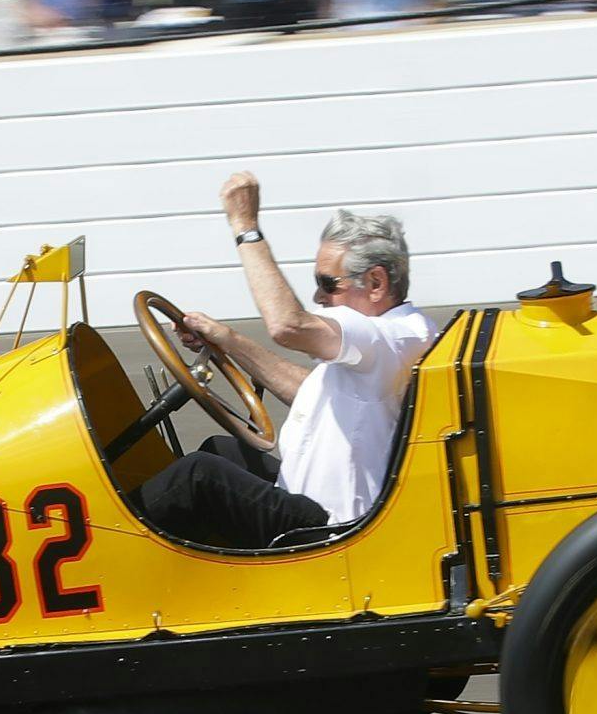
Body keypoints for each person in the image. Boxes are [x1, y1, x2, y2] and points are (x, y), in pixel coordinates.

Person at [130, 178, 437, 551]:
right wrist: (228, 339)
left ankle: (106, 554)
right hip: (311, 507)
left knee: (195, 477)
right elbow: (315, 392)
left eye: (328, 283)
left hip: (329, 533)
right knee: (220, 451)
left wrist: (245, 226)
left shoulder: (388, 337)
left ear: (375, 282)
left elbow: (288, 325)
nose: (318, 296)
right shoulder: (387, 341)